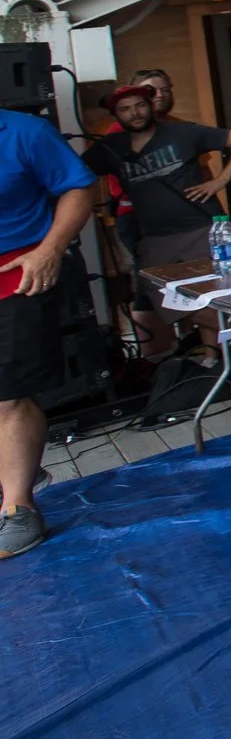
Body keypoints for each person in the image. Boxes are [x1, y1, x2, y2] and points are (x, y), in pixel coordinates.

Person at [88, 85, 231, 360]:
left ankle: (213, 359)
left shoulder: (182, 132)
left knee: (208, 293)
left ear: (150, 106)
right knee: (163, 297)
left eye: (139, 105)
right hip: (155, 236)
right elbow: (72, 172)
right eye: (125, 109)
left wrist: (220, 181)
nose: (134, 113)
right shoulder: (110, 147)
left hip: (200, 227)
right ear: (116, 115)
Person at [0, 110, 96, 559]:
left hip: (17, 275)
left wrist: (49, 250)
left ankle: (19, 507)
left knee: (8, 396)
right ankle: (13, 473)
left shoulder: (24, 131)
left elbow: (78, 187)